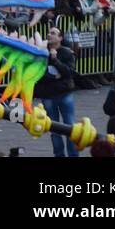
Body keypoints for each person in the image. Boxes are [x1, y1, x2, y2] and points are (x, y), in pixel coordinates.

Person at [34, 28, 79, 156]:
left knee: (70, 127)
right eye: (48, 32)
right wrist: (54, 76)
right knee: (54, 129)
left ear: (60, 38)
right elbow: (38, 73)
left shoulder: (66, 53)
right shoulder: (41, 52)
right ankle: (59, 155)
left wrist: (55, 60)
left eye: (53, 33)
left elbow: (69, 73)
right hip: (48, 95)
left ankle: (73, 155)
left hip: (65, 94)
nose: (49, 34)